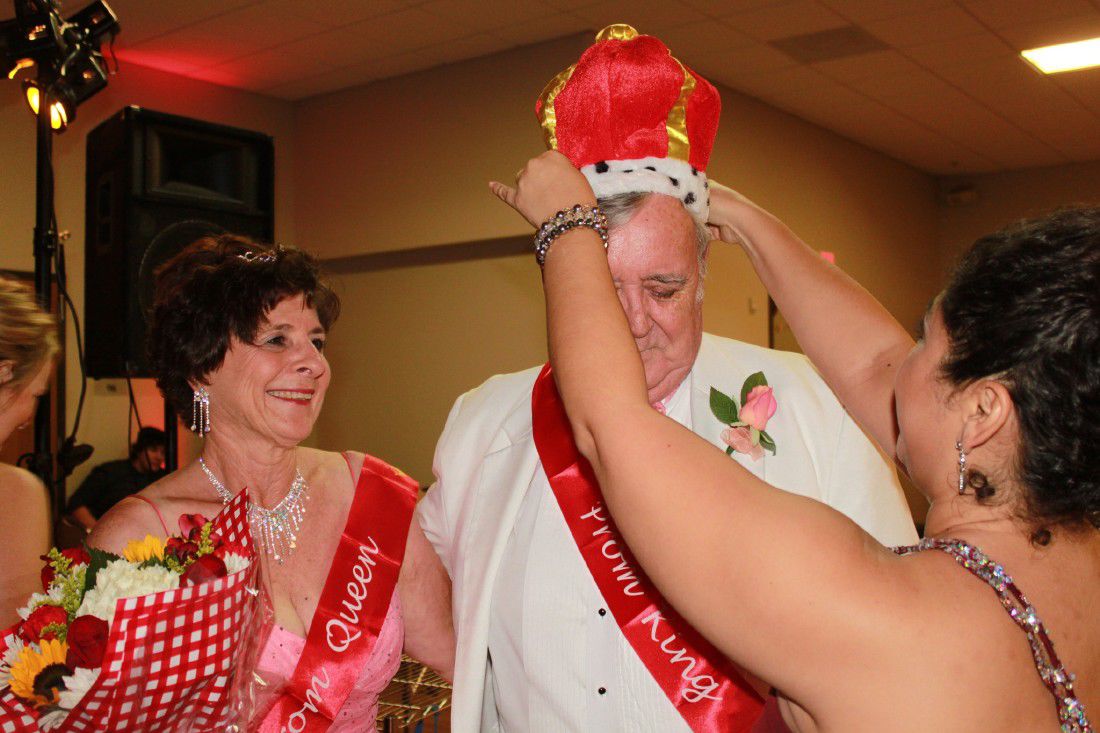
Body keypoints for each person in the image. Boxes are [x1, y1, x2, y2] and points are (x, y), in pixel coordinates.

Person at [495, 146, 1099, 730]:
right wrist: (731, 212)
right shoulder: (1081, 563)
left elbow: (610, 423)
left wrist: (568, 226)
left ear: (984, 412)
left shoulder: (868, 609)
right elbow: (870, 365)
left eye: (922, 343)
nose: (900, 361)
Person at [419, 26, 916, 732]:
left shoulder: (817, 407)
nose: (632, 322)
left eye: (662, 287)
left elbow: (901, 639)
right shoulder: (483, 421)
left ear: (705, 281)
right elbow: (416, 595)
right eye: (601, 286)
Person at [89, 236, 455, 730]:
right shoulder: (136, 539)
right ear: (201, 366)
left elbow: (461, 661)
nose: (316, 364)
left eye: (317, 342)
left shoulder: (369, 492)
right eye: (277, 339)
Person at [0, 277, 58, 628]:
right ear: (5, 374)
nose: (28, 419)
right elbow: (14, 641)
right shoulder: (15, 493)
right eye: (36, 396)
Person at [65, 427, 166, 531]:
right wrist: (99, 533)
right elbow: (76, 503)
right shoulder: (111, 472)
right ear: (139, 449)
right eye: (153, 450)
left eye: (163, 452)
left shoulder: (163, 478)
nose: (159, 457)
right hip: (108, 537)